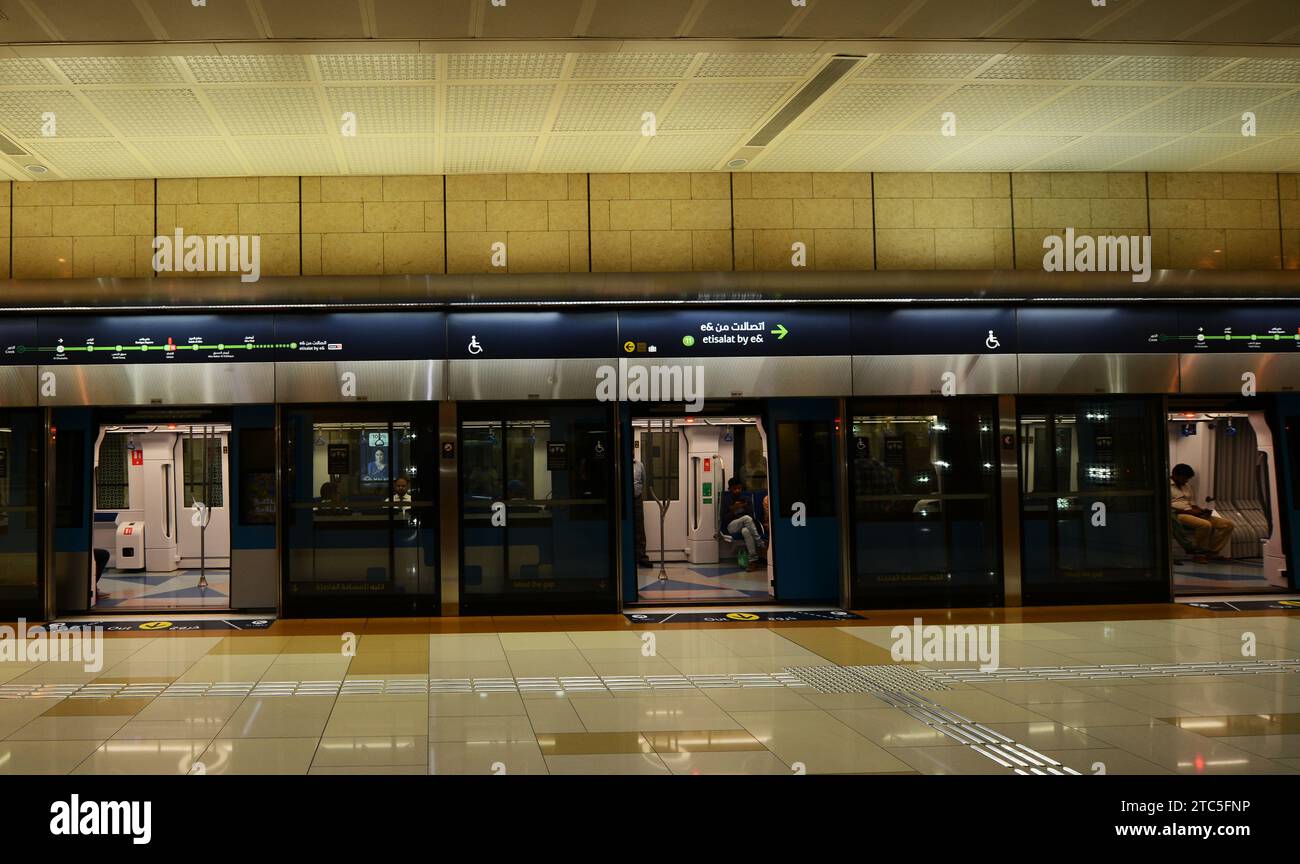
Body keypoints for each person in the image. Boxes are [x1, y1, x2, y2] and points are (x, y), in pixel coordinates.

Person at [1170, 463, 1234, 562]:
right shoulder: (1167, 486)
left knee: (1227, 524)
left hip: (1192, 512)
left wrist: (1201, 511)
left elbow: (1192, 504)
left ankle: (1212, 552)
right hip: (1178, 515)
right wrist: (1191, 512)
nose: (1186, 480)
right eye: (1184, 478)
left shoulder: (1187, 486)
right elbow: (1169, 507)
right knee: (1205, 525)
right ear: (1175, 475)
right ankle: (1199, 554)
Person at [723, 479, 766, 571]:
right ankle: (760, 543)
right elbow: (725, 519)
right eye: (735, 489)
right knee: (746, 518)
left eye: (739, 488)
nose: (737, 490)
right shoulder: (726, 500)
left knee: (746, 531)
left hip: (746, 525)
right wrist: (734, 510)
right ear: (730, 489)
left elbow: (751, 516)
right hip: (732, 525)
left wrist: (745, 507)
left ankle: (753, 560)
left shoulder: (747, 499)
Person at [633, 451, 651, 567]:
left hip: (637, 499)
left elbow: (644, 481)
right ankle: (630, 556)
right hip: (624, 500)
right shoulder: (621, 464)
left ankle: (642, 557)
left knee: (640, 527)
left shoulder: (640, 465)